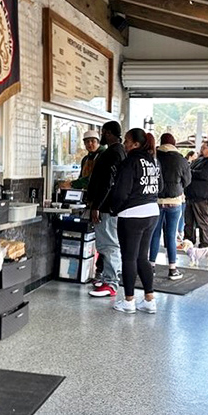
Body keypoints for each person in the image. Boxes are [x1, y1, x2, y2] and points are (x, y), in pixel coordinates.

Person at [110, 128, 162, 314]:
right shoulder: (154, 161)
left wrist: (113, 209)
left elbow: (121, 191)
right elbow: (161, 186)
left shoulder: (130, 161)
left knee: (129, 257)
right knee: (142, 257)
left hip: (131, 214)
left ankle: (129, 301)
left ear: (136, 144)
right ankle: (149, 300)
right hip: (152, 212)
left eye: (127, 141)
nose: (124, 144)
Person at [86, 121, 126, 298]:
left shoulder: (112, 153)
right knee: (108, 243)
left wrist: (96, 205)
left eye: (103, 133)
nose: (101, 136)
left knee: (109, 245)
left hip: (107, 206)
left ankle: (111, 283)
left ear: (109, 133)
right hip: (112, 205)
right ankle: (109, 279)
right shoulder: (120, 151)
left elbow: (107, 182)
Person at [149, 133, 191, 281]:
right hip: (174, 202)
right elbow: (187, 181)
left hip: (156, 201)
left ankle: (151, 266)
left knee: (155, 234)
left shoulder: (154, 157)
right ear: (174, 144)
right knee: (171, 235)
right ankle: (172, 269)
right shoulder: (181, 159)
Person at [184, 140, 208, 248]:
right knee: (189, 221)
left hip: (203, 197)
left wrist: (191, 172)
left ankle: (204, 243)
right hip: (191, 195)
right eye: (202, 147)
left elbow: (203, 175)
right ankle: (189, 240)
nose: (201, 149)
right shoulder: (199, 160)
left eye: (204, 147)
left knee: (203, 221)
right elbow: (189, 169)